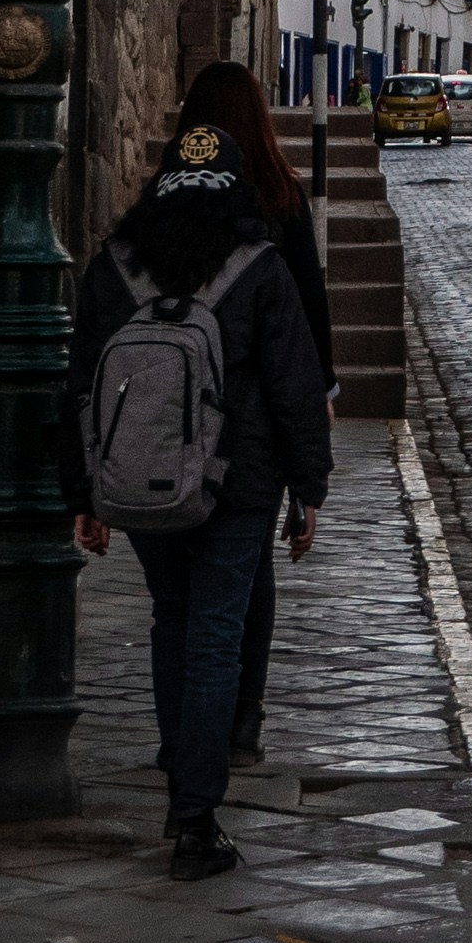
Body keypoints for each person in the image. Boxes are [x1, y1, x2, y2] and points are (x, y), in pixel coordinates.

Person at [63, 122, 330, 877]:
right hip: (238, 483)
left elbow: (81, 383)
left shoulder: (115, 267)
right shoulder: (260, 268)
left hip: (140, 480)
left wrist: (82, 491)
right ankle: (194, 817)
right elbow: (294, 387)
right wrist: (307, 489)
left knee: (172, 621)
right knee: (216, 633)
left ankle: (183, 787)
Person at [168, 60, 333, 766]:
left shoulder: (160, 206)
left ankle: (185, 734)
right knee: (246, 570)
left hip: (172, 415)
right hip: (253, 424)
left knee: (180, 589)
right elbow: (309, 314)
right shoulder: (282, 200)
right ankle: (241, 719)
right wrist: (320, 406)